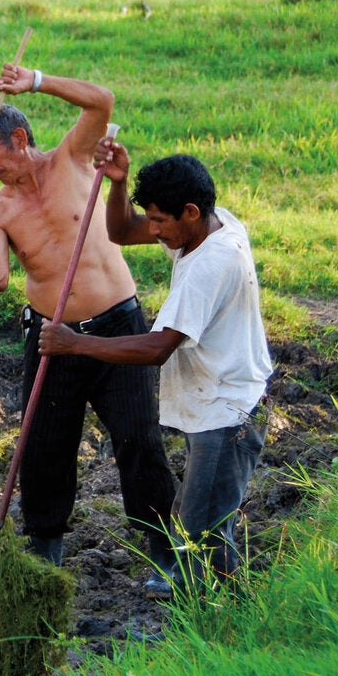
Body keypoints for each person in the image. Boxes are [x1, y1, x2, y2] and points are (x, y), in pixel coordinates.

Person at [0, 64, 176, 582]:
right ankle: (44, 556)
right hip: (52, 337)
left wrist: (35, 80)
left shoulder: (71, 161)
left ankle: (164, 551)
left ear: (19, 138)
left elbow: (102, 100)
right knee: (44, 446)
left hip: (116, 325)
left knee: (138, 439)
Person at [39, 144, 271, 593]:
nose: (155, 229)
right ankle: (214, 614)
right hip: (220, 398)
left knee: (198, 531)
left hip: (228, 412)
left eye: (161, 221)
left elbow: (158, 347)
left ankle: (212, 619)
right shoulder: (210, 223)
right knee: (200, 521)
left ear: (189, 212)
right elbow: (123, 231)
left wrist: (76, 343)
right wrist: (118, 182)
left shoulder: (210, 264)